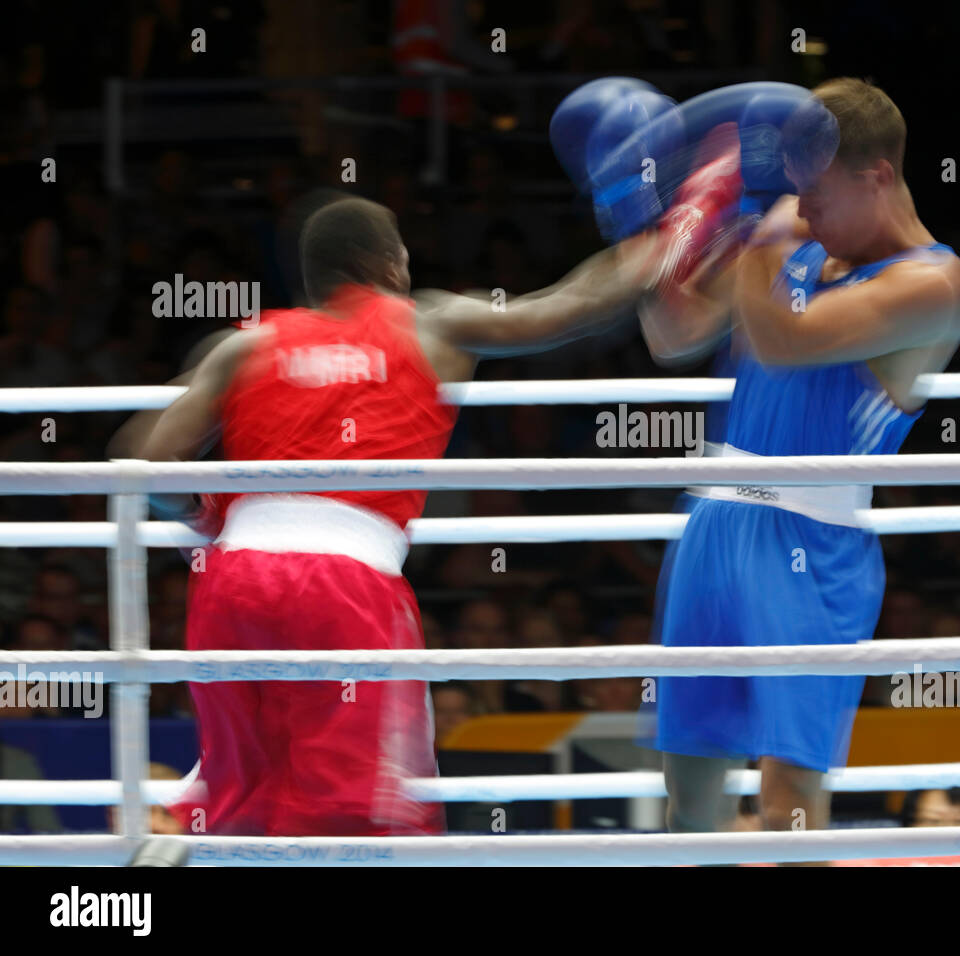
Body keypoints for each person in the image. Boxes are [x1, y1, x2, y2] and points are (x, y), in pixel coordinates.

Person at [122, 196, 653, 836]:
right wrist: (675, 231)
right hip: (345, 586)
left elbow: (147, 461)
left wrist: (208, 520)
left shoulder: (247, 344)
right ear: (389, 262)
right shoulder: (427, 322)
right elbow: (575, 307)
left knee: (241, 795)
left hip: (234, 583)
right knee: (363, 812)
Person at [638, 78, 960, 852]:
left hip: (812, 543)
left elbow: (787, 344)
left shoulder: (937, 284)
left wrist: (752, 221)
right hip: (717, 517)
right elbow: (674, 331)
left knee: (789, 784)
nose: (805, 210)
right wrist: (663, 224)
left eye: (814, 194)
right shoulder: (792, 221)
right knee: (687, 782)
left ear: (875, 176)